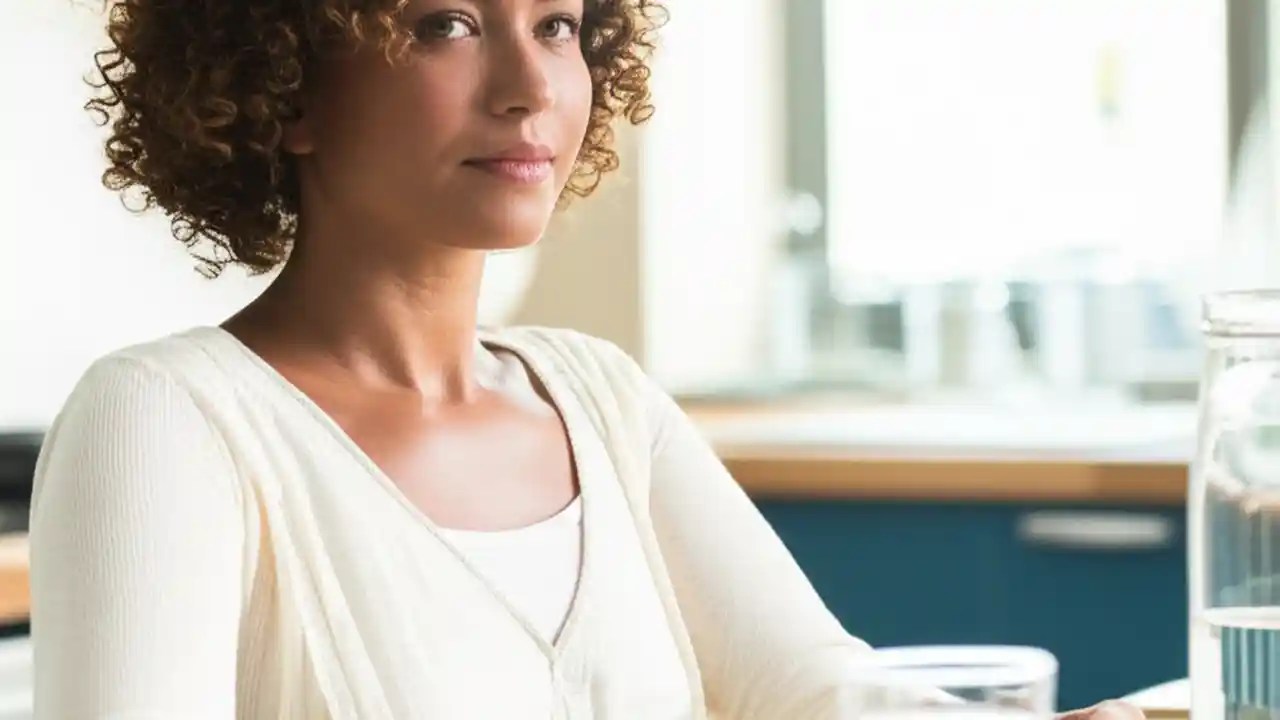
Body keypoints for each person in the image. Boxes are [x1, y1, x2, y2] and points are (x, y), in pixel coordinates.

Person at [27, 0, 1152, 718]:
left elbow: (817, 692)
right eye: (443, 25)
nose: (529, 86)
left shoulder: (597, 397)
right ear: (286, 92)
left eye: (556, 24)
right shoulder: (166, 422)